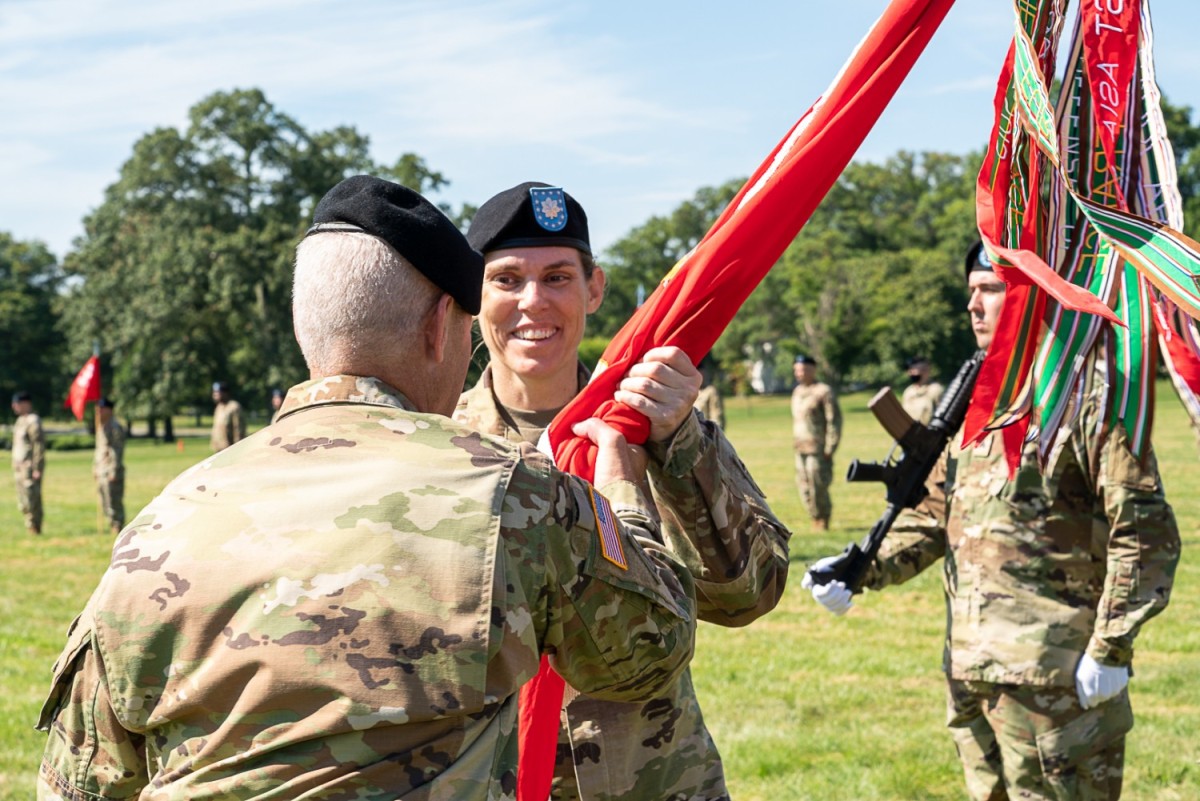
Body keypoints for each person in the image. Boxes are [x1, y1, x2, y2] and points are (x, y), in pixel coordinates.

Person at [37, 175, 698, 801]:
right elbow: (650, 650)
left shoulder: (160, 523)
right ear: (440, 326)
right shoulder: (516, 493)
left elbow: (80, 780)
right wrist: (621, 492)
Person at [802, 241, 1181, 801]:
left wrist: (1111, 647)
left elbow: (1145, 534)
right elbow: (937, 515)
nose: (973, 306)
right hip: (971, 668)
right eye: (971, 292)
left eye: (990, 290)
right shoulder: (976, 405)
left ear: (1028, 295)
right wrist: (861, 566)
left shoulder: (1086, 397)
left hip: (1056, 676)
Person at [457, 181, 790, 801]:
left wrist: (677, 445)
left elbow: (750, 594)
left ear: (595, 289)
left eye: (557, 277)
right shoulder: (439, 446)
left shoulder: (654, 426)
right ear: (473, 296)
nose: (533, 301)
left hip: (655, 780)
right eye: (507, 279)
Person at [791, 354, 841, 531]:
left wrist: (830, 447)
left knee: (818, 485)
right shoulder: (797, 392)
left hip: (817, 448)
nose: (800, 373)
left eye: (804, 369)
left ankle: (823, 517)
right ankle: (813, 516)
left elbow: (834, 420)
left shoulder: (823, 391)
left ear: (813, 370)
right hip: (800, 446)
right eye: (797, 370)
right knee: (803, 486)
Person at [10, 390, 45, 535]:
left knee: (32, 498)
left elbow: (38, 446)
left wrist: (37, 468)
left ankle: (35, 527)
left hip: (29, 467)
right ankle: (29, 525)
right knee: (22, 500)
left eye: (17, 403)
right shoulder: (20, 421)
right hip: (19, 468)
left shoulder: (33, 421)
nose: (14, 406)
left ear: (26, 403)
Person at [92, 397, 124, 534]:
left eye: (102, 409)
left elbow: (117, 451)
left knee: (113, 501)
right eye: (98, 409)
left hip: (111, 471)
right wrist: (95, 467)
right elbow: (99, 450)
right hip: (101, 470)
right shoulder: (101, 426)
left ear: (109, 410)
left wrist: (114, 471)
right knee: (104, 500)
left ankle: (117, 525)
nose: (99, 411)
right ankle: (112, 524)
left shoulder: (115, 427)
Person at [900, 355, 944, 425]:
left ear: (925, 370)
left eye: (913, 369)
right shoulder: (908, 391)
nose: (910, 373)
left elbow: (942, 414)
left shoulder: (935, 389)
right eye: (909, 370)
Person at [209, 381, 245, 451]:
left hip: (230, 449)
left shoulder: (234, 407)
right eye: (214, 392)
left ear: (225, 393)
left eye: (218, 392)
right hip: (218, 449)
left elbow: (238, 429)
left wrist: (238, 448)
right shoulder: (219, 407)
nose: (215, 394)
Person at [693, 356, 726, 429]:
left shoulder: (710, 391)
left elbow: (716, 416)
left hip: (706, 433)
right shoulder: (691, 392)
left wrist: (713, 434)